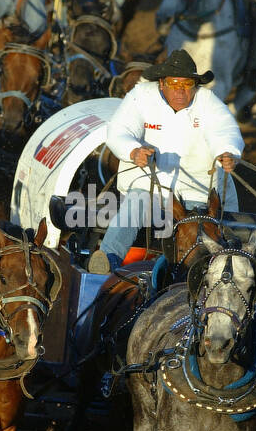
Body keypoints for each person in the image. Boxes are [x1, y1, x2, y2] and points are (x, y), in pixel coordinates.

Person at [90, 49, 243, 273]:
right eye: (174, 83)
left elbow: (226, 130)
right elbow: (119, 130)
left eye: (187, 84)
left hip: (199, 193)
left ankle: (233, 271)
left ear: (195, 85)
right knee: (135, 204)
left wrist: (227, 152)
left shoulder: (208, 101)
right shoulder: (141, 96)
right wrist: (133, 151)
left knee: (226, 228)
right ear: (162, 83)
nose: (181, 91)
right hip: (149, 188)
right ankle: (107, 260)